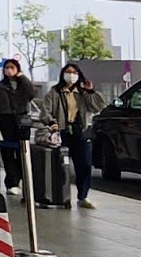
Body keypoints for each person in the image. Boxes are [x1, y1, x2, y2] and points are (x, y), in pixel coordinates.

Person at [42, 63, 106, 208]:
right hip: (62, 132)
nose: (71, 75)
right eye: (68, 72)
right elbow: (45, 111)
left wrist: (90, 91)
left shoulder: (83, 93)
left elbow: (98, 107)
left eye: (74, 72)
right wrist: (51, 122)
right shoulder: (55, 92)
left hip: (81, 132)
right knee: (60, 166)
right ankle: (59, 196)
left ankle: (83, 196)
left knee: (84, 165)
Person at [0, 58, 36, 195]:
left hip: (22, 120)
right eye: (6, 67)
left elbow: (32, 94)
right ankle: (11, 182)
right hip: (6, 119)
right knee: (7, 152)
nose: (9, 70)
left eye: (12, 67)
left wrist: (22, 77)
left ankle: (23, 179)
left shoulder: (23, 84)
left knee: (22, 152)